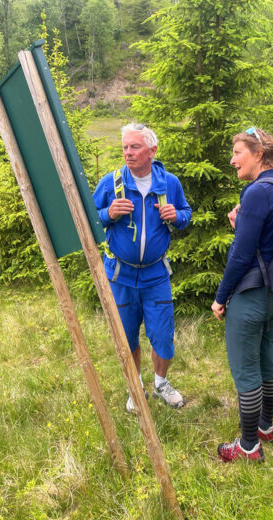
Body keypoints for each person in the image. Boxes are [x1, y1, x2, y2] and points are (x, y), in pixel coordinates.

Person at [93, 123, 192, 412]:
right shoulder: (111, 183)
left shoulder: (169, 183)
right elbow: (87, 217)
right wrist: (108, 213)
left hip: (155, 274)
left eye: (134, 147)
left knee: (162, 335)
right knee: (127, 336)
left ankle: (161, 384)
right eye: (125, 147)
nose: (128, 152)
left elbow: (186, 213)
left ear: (152, 151)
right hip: (120, 275)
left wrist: (177, 216)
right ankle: (135, 388)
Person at [212, 127, 273, 463]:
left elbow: (241, 255)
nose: (232, 160)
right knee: (267, 354)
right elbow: (267, 240)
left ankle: (248, 447)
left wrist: (221, 297)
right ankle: (265, 427)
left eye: (237, 152)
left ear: (258, 154)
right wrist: (240, 225)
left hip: (252, 292)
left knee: (246, 369)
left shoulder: (256, 192)